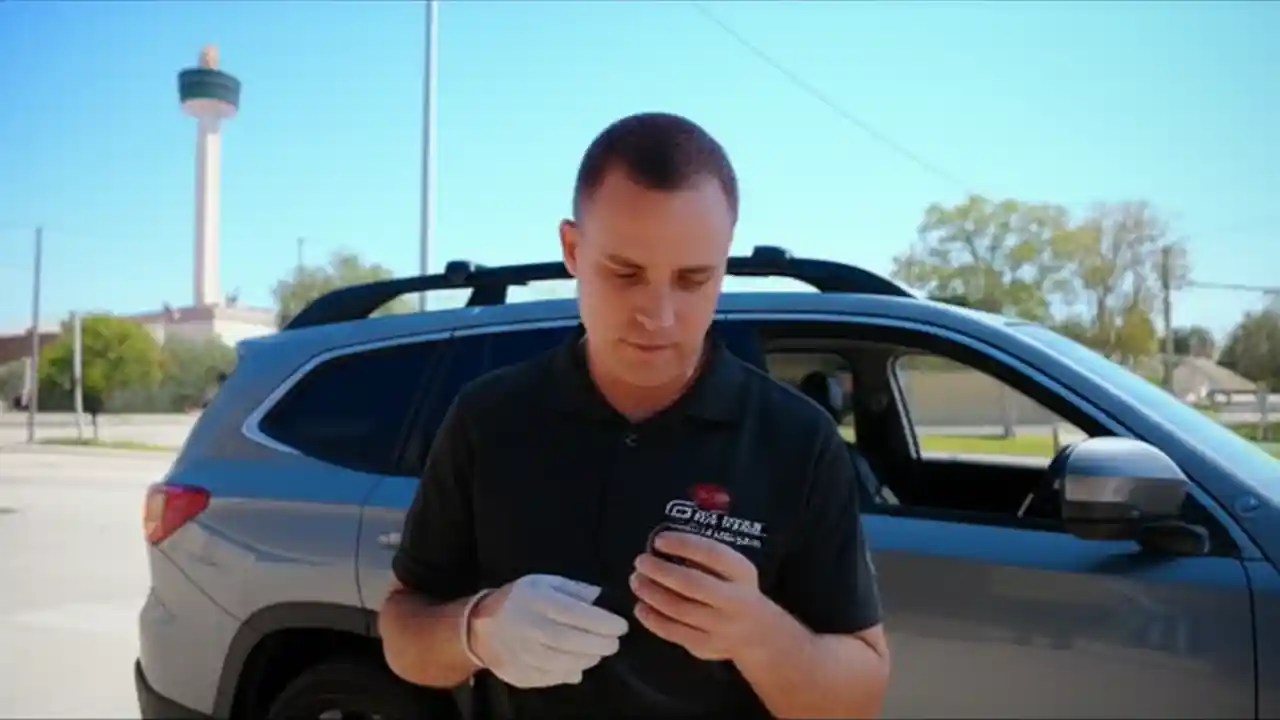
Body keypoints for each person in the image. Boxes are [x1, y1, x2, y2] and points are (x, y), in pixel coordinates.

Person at [378, 111, 890, 719]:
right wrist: (477, 629)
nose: (660, 315)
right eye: (625, 274)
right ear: (572, 249)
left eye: (693, 279)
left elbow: (858, 698)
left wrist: (759, 635)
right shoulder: (489, 420)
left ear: (724, 263)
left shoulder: (797, 441)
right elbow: (403, 633)